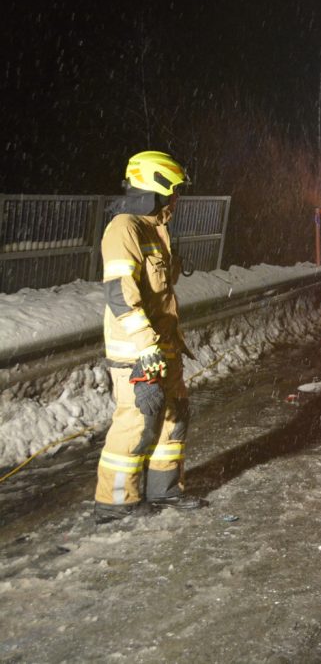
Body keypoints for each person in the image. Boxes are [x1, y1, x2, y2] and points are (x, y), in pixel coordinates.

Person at [94, 151, 206, 523]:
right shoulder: (124, 228)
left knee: (175, 415)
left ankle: (164, 489)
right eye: (173, 191)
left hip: (163, 346)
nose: (176, 199)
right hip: (137, 350)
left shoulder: (156, 230)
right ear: (155, 187)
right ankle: (116, 503)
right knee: (137, 421)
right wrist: (144, 345)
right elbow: (120, 294)